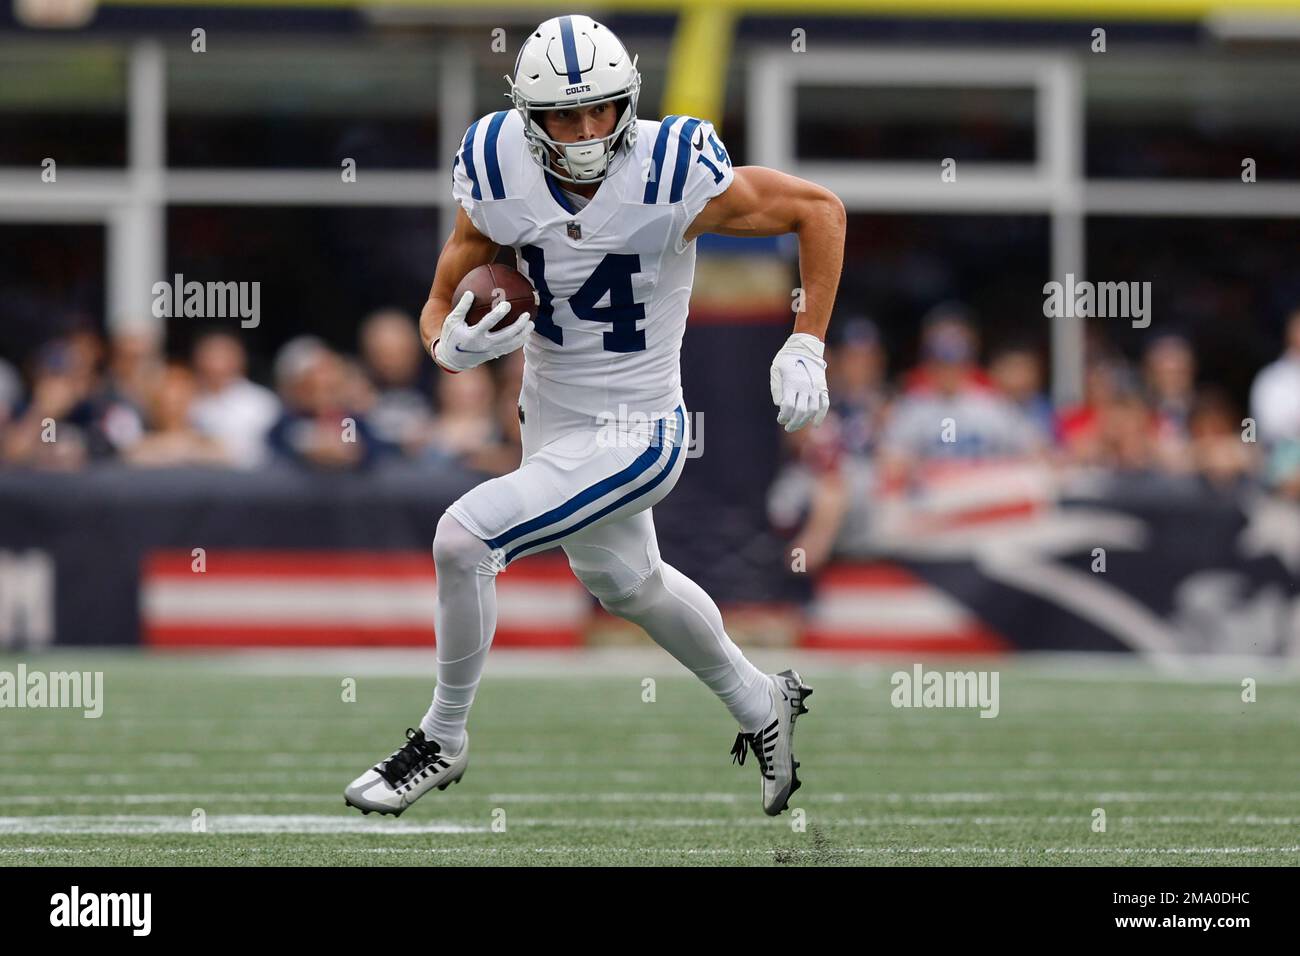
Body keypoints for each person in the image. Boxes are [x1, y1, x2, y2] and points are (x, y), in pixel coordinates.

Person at [346, 14, 844, 819]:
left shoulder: (672, 165)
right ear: (526, 117)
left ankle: (442, 737)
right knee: (629, 584)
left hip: (639, 430)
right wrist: (449, 348)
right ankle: (762, 703)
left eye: (601, 110)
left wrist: (807, 341)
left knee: (464, 538)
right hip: (549, 416)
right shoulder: (496, 162)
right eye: (564, 116)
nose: (584, 130)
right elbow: (444, 294)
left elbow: (818, 210)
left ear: (629, 102)